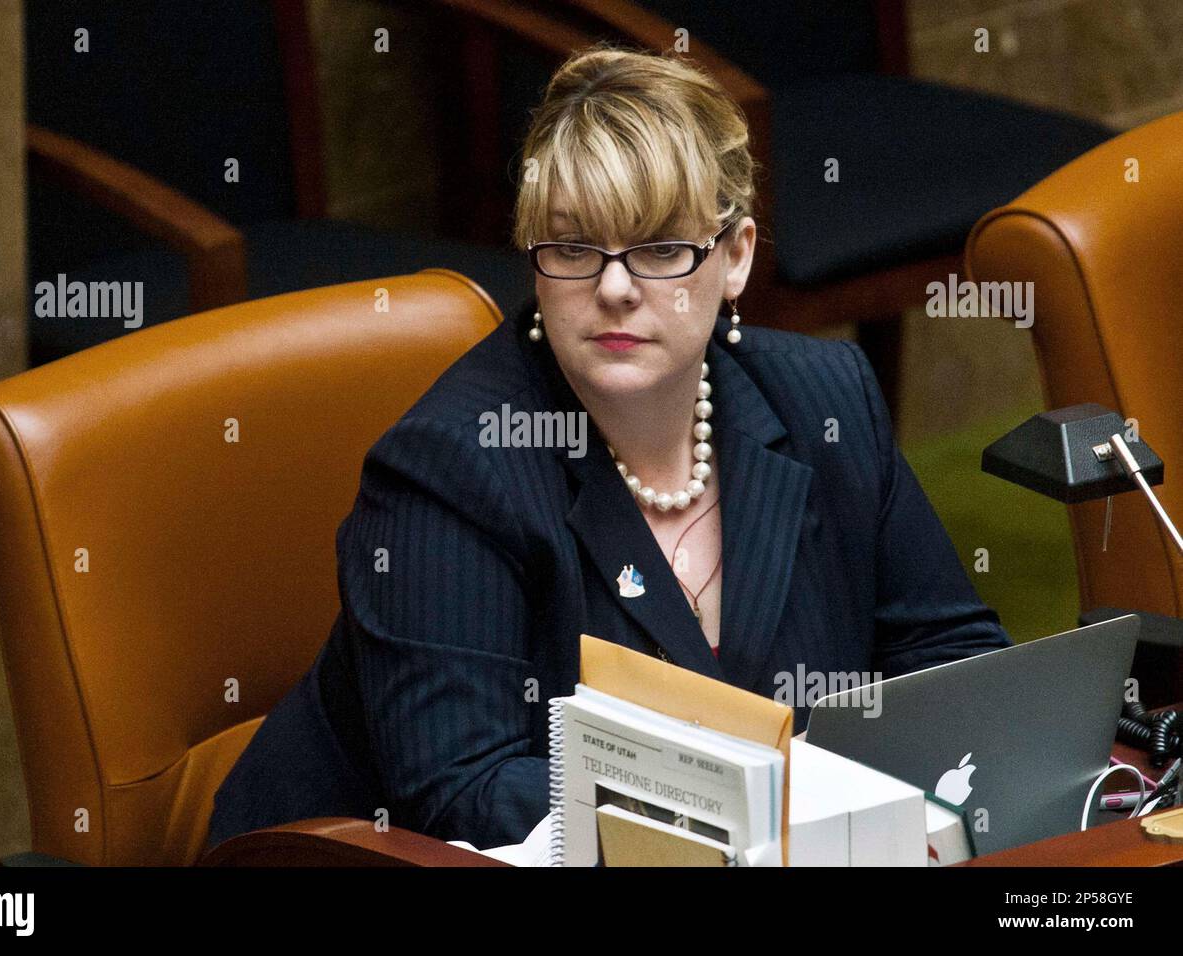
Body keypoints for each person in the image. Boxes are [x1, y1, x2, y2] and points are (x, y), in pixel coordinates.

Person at [207, 44, 1011, 853]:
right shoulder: (450, 468)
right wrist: (760, 811)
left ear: (734, 257)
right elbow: (463, 793)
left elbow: (952, 658)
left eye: (662, 249)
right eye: (575, 248)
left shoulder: (825, 397)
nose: (616, 287)